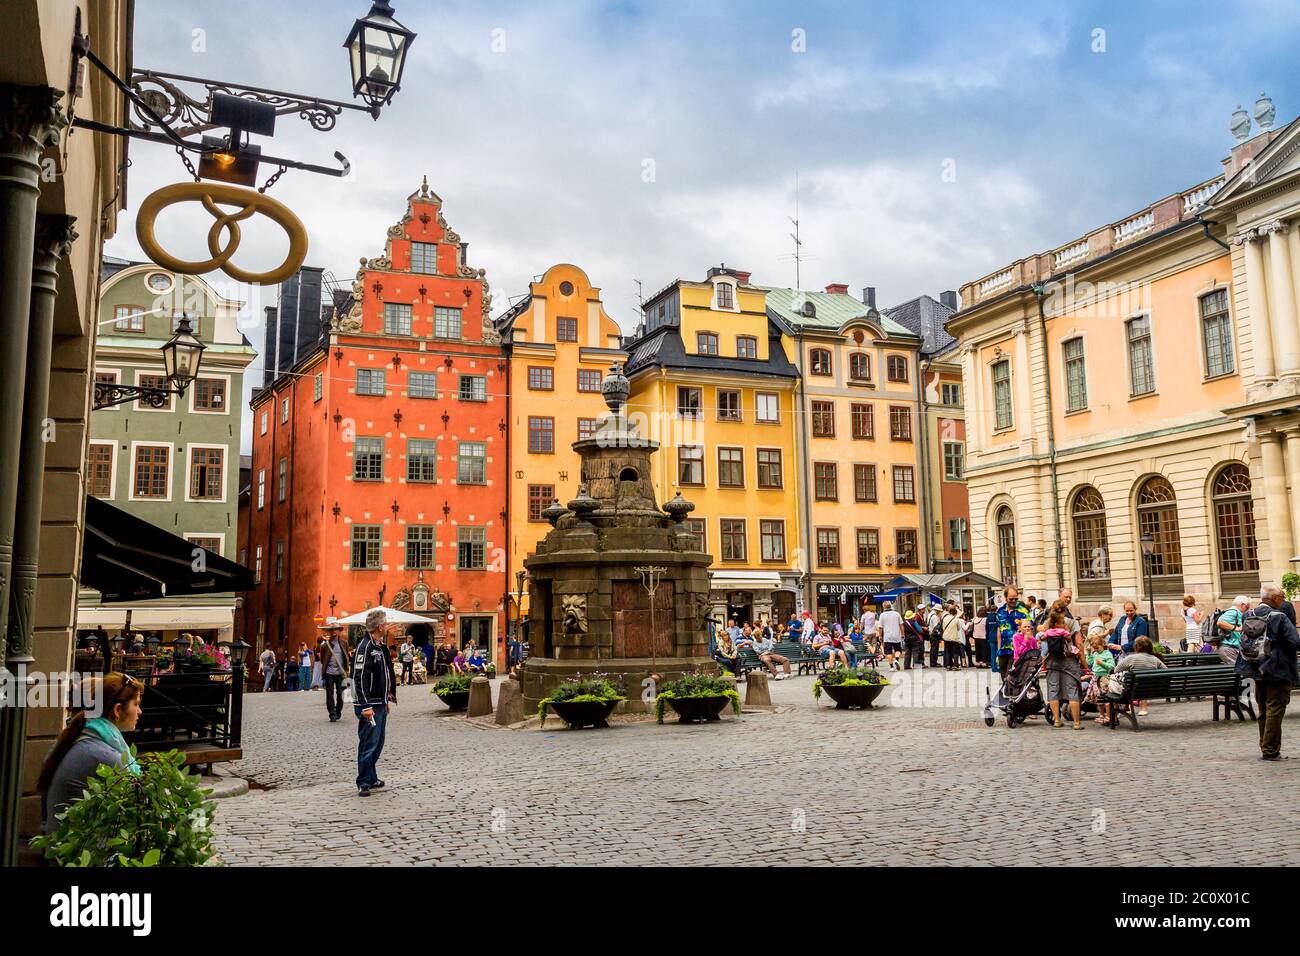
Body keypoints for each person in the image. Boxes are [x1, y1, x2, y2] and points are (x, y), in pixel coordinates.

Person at [37, 672, 144, 833]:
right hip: (77, 848)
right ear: (117, 710)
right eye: (136, 704)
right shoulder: (107, 756)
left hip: (59, 842)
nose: (140, 711)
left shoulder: (78, 737)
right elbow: (139, 808)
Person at [1239, 585, 1300, 760]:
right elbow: (1295, 642)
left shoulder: (1248, 614)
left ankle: (1265, 746)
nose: (1283, 599)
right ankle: (1270, 750)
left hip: (1255, 667)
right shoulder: (1279, 616)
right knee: (1276, 707)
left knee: (1264, 708)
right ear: (1274, 598)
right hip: (1278, 669)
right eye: (1282, 596)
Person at [352, 608, 397, 797]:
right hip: (369, 703)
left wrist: (387, 697)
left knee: (378, 742)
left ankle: (371, 777)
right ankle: (363, 782)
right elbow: (359, 678)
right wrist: (366, 706)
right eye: (385, 623)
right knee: (369, 742)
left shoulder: (379, 646)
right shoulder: (365, 647)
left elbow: (385, 674)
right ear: (380, 627)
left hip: (380, 702)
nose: (387, 626)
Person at [1041, 605, 1085, 729]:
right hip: (1069, 661)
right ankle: (1076, 723)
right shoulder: (1071, 623)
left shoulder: (1048, 623)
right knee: (1072, 691)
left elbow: (1041, 638)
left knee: (1053, 690)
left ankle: (1057, 720)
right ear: (1065, 610)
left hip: (1052, 661)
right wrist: (1083, 660)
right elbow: (1079, 643)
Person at [1110, 636, 1168, 719]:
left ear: (1136, 647)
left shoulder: (1131, 658)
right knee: (1141, 683)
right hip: (1149, 689)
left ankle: (1123, 709)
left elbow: (1116, 670)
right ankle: (1141, 708)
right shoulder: (1155, 659)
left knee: (1114, 679)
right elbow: (1166, 672)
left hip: (1131, 690)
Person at [993, 586, 1031, 676]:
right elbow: (999, 631)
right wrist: (998, 650)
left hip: (1017, 650)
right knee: (1004, 677)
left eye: (1016, 599)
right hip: (1003, 650)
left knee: (1011, 677)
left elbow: (1029, 630)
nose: (1014, 601)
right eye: (1011, 599)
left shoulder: (1023, 611)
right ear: (1005, 598)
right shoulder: (1000, 611)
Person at [319, 620, 351, 722]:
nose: (334, 631)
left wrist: (346, 669)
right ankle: (332, 714)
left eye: (336, 629)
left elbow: (346, 657)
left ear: (339, 631)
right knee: (329, 694)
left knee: (340, 693)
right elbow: (322, 660)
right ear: (329, 631)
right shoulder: (325, 646)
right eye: (332, 629)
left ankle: (338, 711)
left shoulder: (344, 643)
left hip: (340, 673)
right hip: (329, 673)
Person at [1084, 631, 1116, 724]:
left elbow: (1112, 666)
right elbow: (1090, 662)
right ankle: (1101, 715)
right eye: (1094, 648)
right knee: (1098, 698)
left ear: (1102, 644)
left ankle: (1108, 716)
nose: (1096, 650)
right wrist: (1089, 654)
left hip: (1103, 678)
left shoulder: (1107, 654)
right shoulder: (1095, 653)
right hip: (1095, 678)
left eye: (1097, 648)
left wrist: (1102, 664)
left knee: (1105, 698)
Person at [1212, 595, 1249, 666]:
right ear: (1242, 605)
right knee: (1237, 670)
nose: (1247, 610)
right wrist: (1237, 628)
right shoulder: (1233, 611)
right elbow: (1220, 622)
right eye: (1247, 607)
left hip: (1230, 648)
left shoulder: (1235, 612)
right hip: (1229, 648)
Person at [879, 601, 904, 670]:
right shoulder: (897, 614)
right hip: (896, 636)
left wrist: (880, 636)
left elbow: (880, 627)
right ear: (891, 606)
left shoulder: (882, 615)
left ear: (884, 607)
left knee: (888, 652)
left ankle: (892, 667)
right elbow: (901, 625)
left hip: (887, 637)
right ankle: (896, 660)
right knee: (898, 650)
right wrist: (902, 634)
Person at [941, 602, 964, 671]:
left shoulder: (945, 618)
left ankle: (948, 665)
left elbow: (943, 627)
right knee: (955, 652)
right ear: (955, 614)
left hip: (946, 637)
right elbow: (958, 628)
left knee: (948, 651)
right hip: (954, 638)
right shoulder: (956, 620)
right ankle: (955, 665)